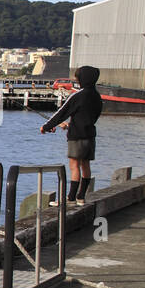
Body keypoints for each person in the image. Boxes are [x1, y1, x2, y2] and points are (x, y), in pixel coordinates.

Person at [40, 65, 103, 205]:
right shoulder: (97, 97)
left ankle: (71, 198)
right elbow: (87, 117)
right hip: (90, 136)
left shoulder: (78, 95)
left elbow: (62, 113)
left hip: (77, 136)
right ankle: (81, 197)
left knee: (74, 165)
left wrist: (46, 127)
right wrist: (68, 125)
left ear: (82, 79)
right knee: (85, 165)